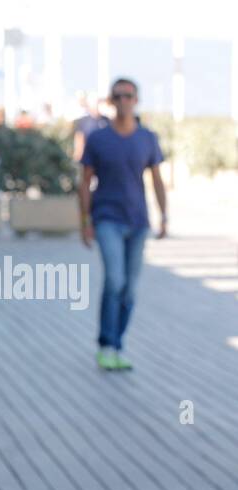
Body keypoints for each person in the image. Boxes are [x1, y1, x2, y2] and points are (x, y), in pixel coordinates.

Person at [78, 77, 167, 371]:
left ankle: (118, 344)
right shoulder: (98, 138)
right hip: (107, 220)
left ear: (136, 100)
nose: (124, 100)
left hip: (138, 221)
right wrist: (84, 221)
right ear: (112, 100)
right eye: (119, 95)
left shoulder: (147, 138)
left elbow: (156, 180)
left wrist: (164, 216)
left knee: (129, 290)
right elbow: (85, 181)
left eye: (129, 95)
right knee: (114, 280)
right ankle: (106, 344)